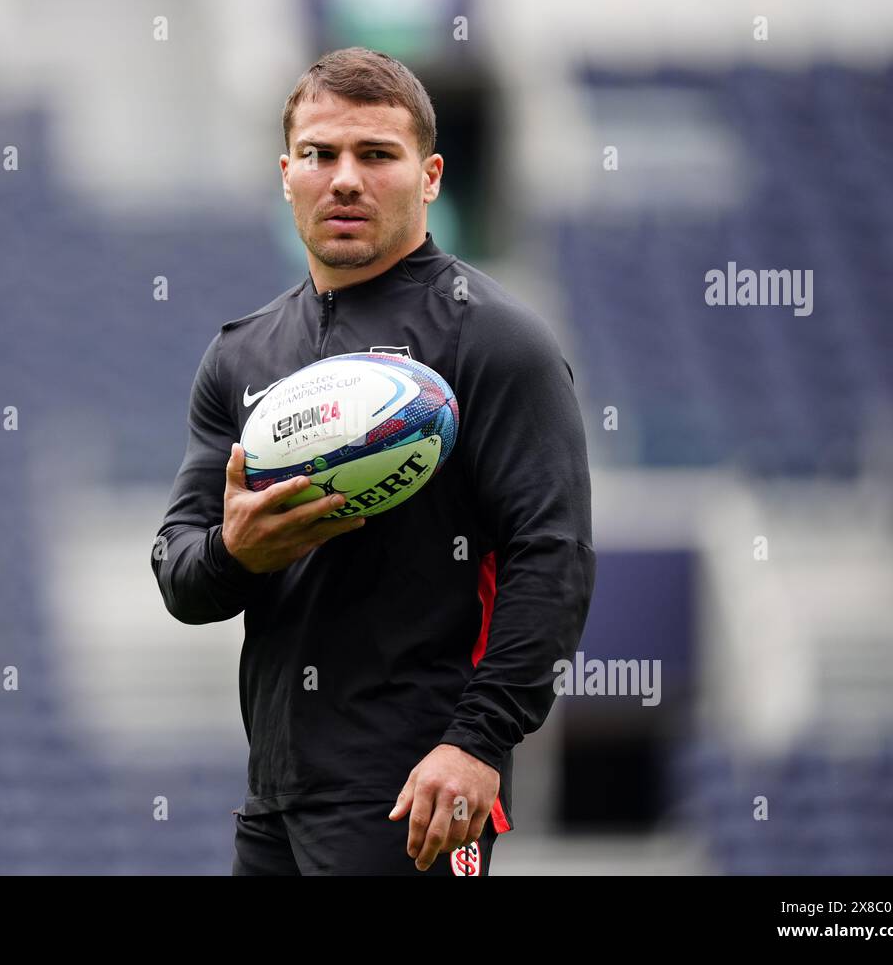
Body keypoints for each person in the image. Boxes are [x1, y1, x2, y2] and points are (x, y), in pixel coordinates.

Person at [151, 47, 595, 875]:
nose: (344, 178)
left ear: (429, 176)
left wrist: (477, 743)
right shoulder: (240, 357)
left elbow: (553, 557)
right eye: (319, 154)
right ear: (287, 174)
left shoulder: (498, 341)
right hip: (276, 794)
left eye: (376, 155)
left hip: (416, 785)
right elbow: (179, 570)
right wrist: (236, 556)